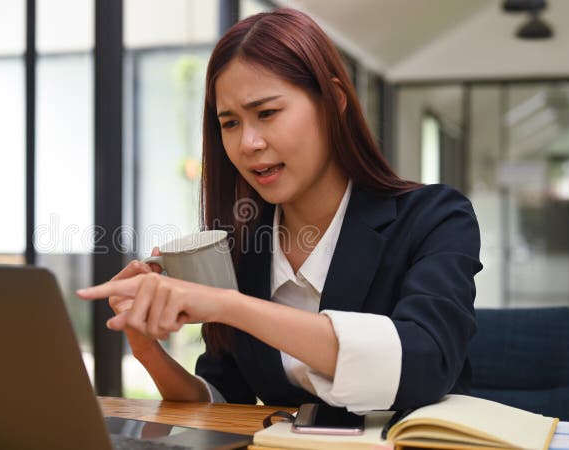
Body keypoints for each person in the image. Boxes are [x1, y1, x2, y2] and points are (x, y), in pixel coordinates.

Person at [77, 8, 482, 412]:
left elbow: (424, 363)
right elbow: (222, 402)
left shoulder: (435, 219)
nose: (248, 143)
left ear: (334, 102)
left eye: (267, 113)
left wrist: (229, 305)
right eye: (230, 123)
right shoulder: (243, 246)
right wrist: (146, 347)